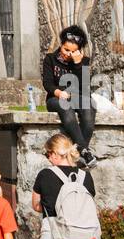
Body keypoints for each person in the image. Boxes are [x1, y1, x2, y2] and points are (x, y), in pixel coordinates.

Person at [33, 133, 106, 239]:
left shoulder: (45, 174)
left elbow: (36, 205)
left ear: (54, 153)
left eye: (47, 154)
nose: (48, 159)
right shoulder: (86, 176)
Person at [42, 25, 98, 167]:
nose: (68, 54)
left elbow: (85, 89)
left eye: (73, 51)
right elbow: (47, 84)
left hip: (77, 97)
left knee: (89, 106)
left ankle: (79, 154)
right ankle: (84, 150)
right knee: (65, 107)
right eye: (66, 49)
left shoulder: (83, 61)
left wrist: (78, 64)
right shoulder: (50, 59)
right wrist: (59, 93)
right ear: (61, 45)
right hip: (56, 98)